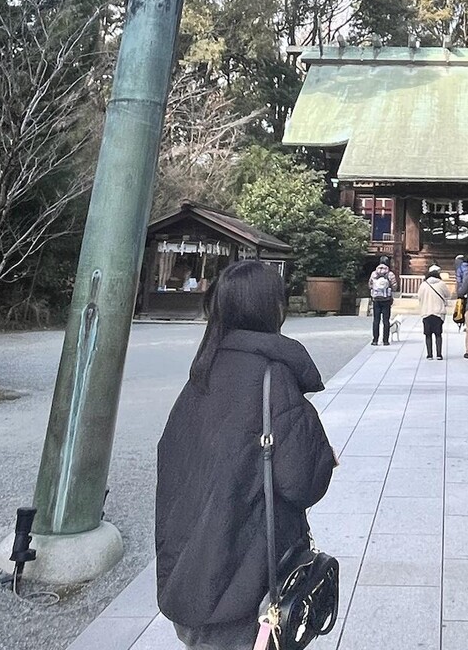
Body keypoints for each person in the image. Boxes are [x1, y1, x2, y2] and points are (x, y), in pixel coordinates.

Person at [155, 260, 336, 650]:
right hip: (245, 576)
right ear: (270, 308)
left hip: (190, 564)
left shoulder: (203, 371)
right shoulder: (273, 376)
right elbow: (302, 481)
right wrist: (323, 453)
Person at [417, 265, 449, 359]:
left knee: (428, 334)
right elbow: (448, 295)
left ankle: (429, 354)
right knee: (438, 334)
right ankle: (439, 354)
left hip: (426, 311)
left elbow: (419, 297)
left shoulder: (424, 284)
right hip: (439, 312)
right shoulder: (441, 284)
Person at [368, 254, 398, 346]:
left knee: (376, 320)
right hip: (386, 299)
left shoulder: (374, 273)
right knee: (386, 320)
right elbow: (394, 287)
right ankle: (385, 340)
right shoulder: (390, 274)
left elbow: (370, 285)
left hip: (376, 299)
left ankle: (375, 340)